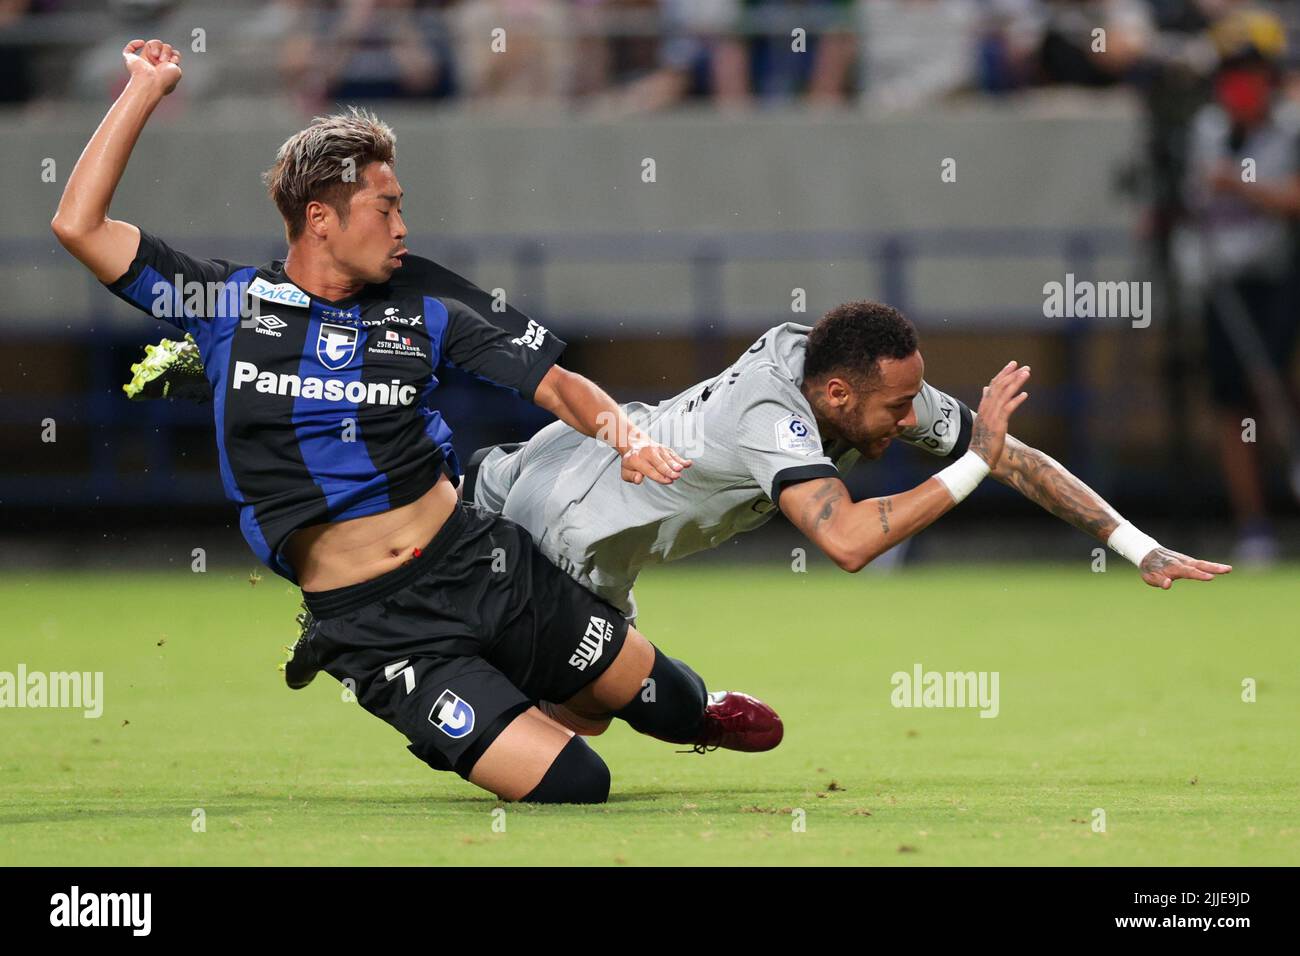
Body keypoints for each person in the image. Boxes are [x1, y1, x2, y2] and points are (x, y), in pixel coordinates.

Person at [52, 37, 784, 806]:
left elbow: (559, 386)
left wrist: (625, 437)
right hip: (374, 623)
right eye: (386, 207)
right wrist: (144, 89)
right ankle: (505, 709)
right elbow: (79, 225)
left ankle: (640, 704)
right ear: (320, 219)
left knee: (669, 708)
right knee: (576, 783)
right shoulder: (225, 304)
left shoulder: (424, 306)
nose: (403, 226)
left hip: (482, 567)